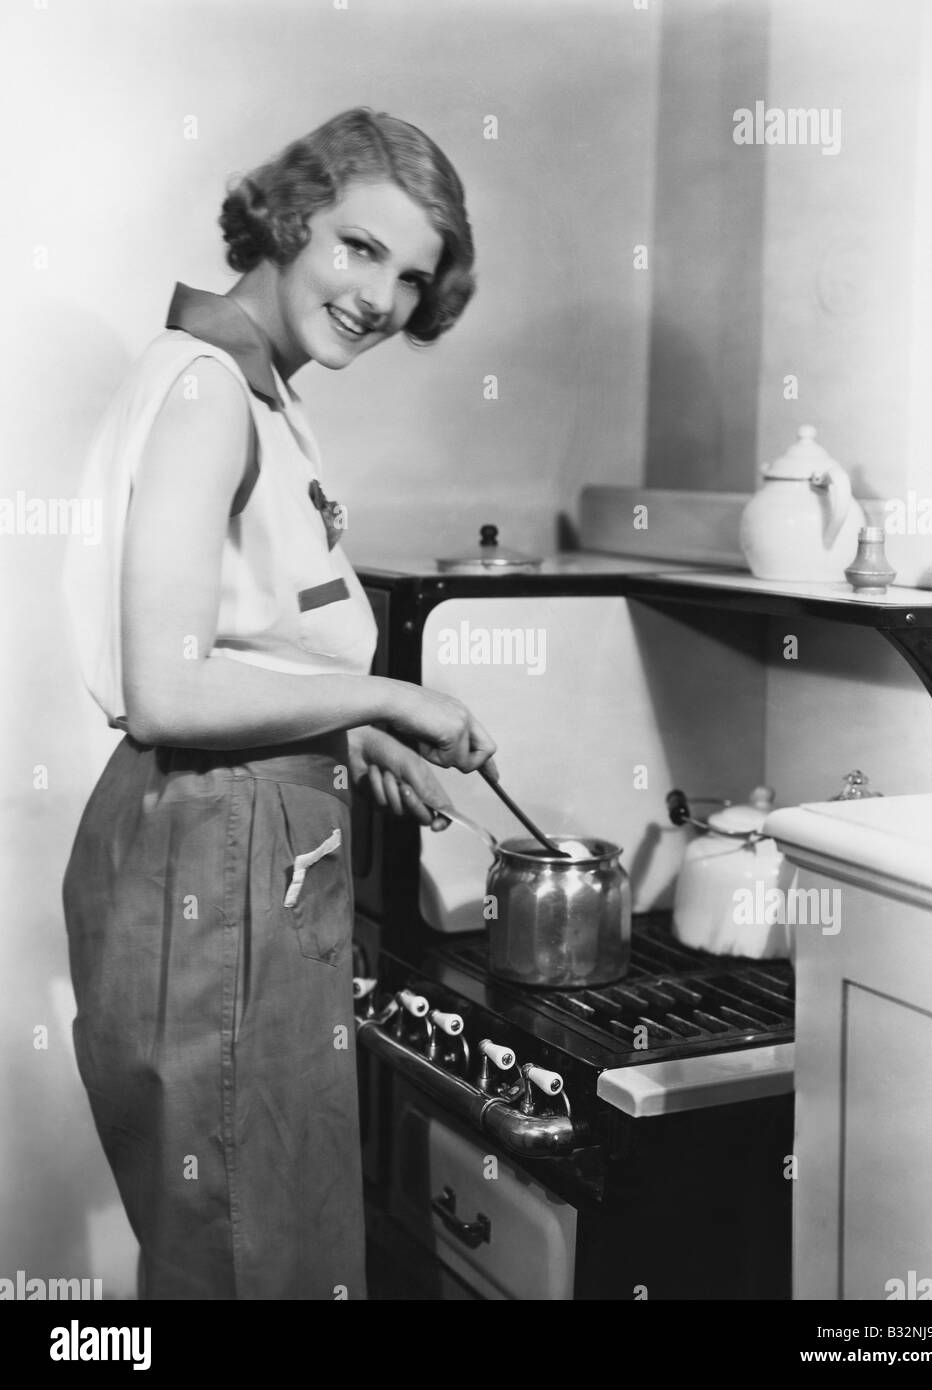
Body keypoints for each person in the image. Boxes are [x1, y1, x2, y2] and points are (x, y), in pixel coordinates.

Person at [61, 107, 496, 1301]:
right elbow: (166, 687)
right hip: (218, 846)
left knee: (252, 1234)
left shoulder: (253, 388)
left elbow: (229, 643)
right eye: (360, 248)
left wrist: (345, 728)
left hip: (240, 839)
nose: (381, 297)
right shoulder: (209, 390)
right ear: (292, 220)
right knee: (243, 1248)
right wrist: (393, 694)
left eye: (412, 276)